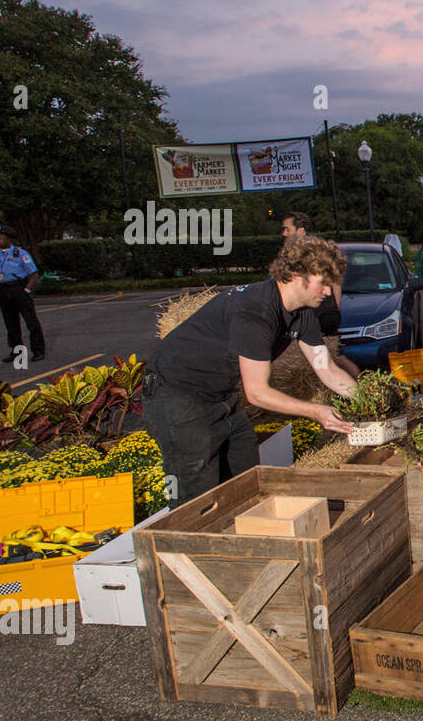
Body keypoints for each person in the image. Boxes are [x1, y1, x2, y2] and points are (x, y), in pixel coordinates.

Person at [144, 236, 357, 507]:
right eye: (323, 282)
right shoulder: (256, 311)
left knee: (246, 480)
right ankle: (187, 545)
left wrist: (366, 398)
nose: (329, 292)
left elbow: (326, 368)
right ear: (295, 274)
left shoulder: (302, 313)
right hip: (176, 395)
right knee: (196, 500)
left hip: (220, 397)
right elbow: (256, 393)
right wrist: (316, 411)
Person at [280, 210, 358, 376]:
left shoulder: (304, 253)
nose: (283, 233)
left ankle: (356, 389)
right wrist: (335, 306)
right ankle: (358, 387)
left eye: (287, 229)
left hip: (317, 313)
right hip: (325, 312)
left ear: (300, 231)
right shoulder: (319, 249)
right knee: (334, 356)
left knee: (323, 358)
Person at [0, 226, 46, 362]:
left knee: (31, 321)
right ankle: (16, 351)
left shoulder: (20, 254)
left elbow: (33, 273)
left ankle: (38, 350)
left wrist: (27, 288)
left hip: (18, 288)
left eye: (0, 237)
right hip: (3, 290)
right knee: (10, 323)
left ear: (8, 239)